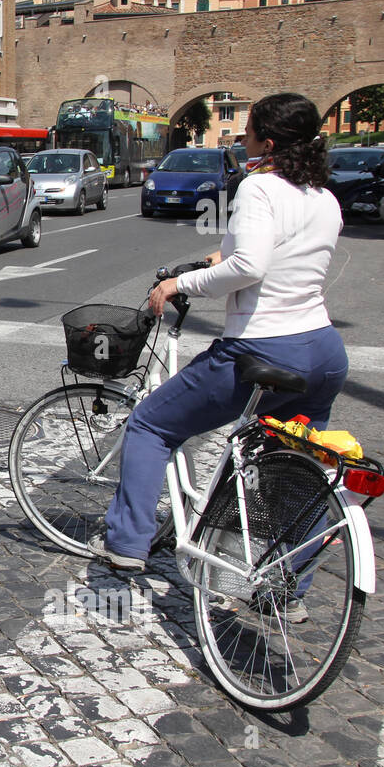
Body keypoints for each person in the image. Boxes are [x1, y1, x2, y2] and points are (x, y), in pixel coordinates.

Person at [90, 93, 349, 607]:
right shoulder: (323, 197)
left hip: (263, 348)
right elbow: (276, 251)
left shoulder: (258, 187)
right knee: (297, 467)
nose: (242, 140)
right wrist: (208, 257)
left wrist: (181, 286)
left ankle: (126, 543)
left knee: (150, 424)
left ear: (267, 143)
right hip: (323, 350)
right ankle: (287, 586)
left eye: (249, 132)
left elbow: (250, 266)